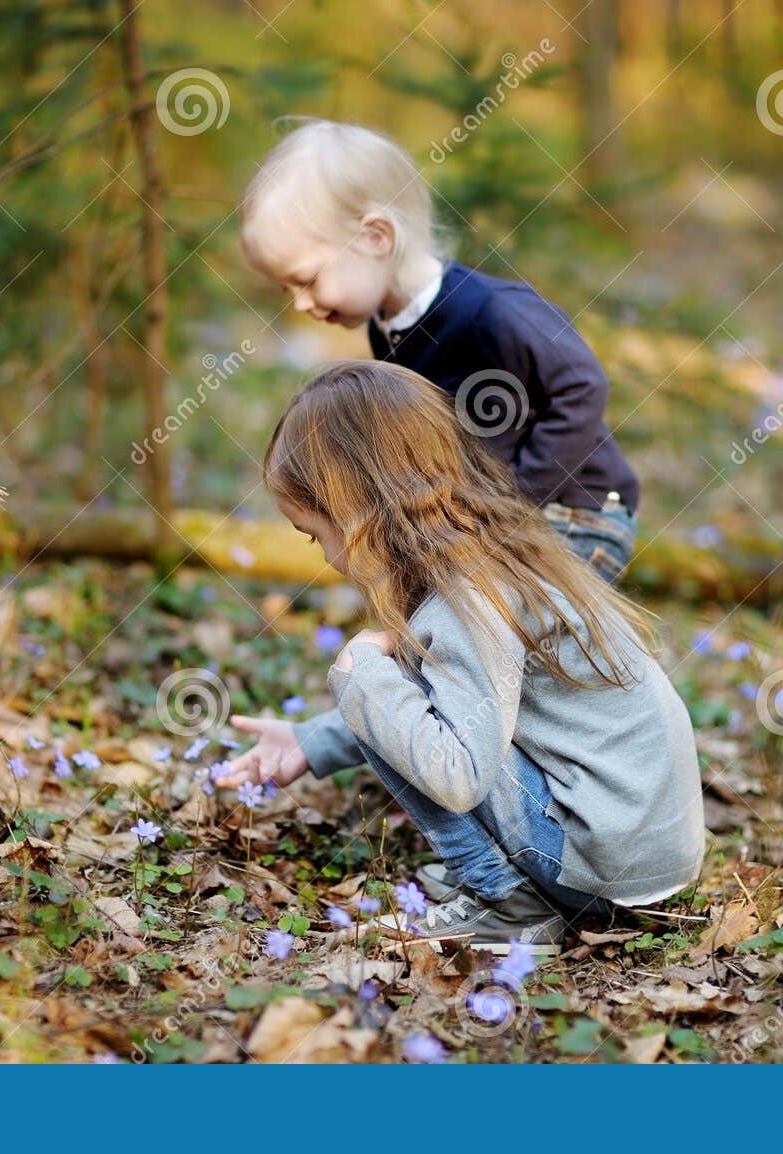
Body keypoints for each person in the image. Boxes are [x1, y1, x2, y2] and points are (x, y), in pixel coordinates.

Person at [214, 361, 705, 955]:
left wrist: (362, 673)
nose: (327, 559)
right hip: (643, 852)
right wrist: (308, 741)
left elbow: (455, 775)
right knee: (383, 690)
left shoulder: (464, 602)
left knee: (371, 683)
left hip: (608, 866)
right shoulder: (501, 556)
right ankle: (524, 887)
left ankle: (505, 899)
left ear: (359, 512)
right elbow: (441, 703)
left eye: (317, 534)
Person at [240, 117, 640, 585]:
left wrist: (519, 500)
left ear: (375, 237)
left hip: (576, 514)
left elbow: (581, 385)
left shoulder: (491, 312)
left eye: (307, 279)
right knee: (453, 615)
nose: (300, 302)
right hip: (500, 527)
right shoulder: (388, 332)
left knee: (512, 630)